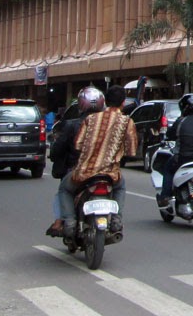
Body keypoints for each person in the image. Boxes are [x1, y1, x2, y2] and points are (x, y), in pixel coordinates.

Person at [59, 85, 138, 240]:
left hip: (84, 172)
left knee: (65, 190)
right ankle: (116, 219)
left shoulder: (90, 119)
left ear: (106, 101)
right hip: (110, 175)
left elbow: (78, 145)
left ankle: (69, 222)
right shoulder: (127, 122)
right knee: (121, 187)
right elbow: (132, 151)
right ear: (123, 103)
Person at [45, 87, 100, 237]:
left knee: (63, 190)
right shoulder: (107, 126)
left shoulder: (72, 125)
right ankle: (116, 219)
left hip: (78, 171)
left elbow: (58, 149)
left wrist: (54, 154)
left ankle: (65, 221)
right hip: (104, 171)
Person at [158, 93, 193, 206]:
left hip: (183, 159)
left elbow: (170, 134)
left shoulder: (180, 122)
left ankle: (165, 196)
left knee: (167, 169)